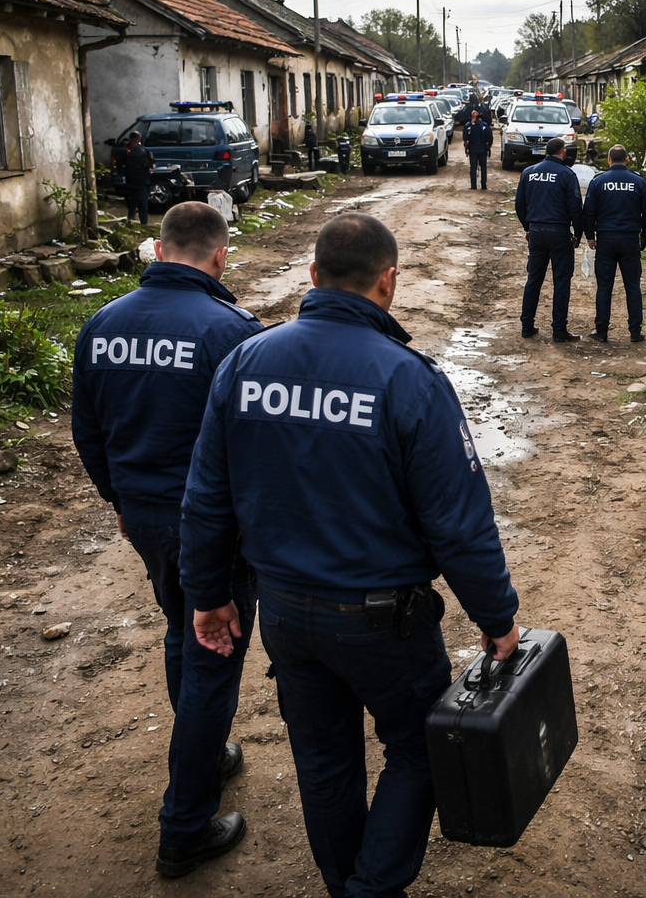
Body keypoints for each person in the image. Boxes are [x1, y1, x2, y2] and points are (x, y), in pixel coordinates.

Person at [181, 213, 520, 898]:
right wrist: (497, 615)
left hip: (286, 614)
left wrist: (208, 595)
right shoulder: (409, 379)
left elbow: (207, 497)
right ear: (388, 282)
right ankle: (369, 891)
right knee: (418, 747)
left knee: (324, 760)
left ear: (313, 275)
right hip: (382, 623)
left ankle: (347, 883)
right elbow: (458, 523)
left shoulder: (246, 363)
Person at [71, 201, 262, 878]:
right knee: (213, 653)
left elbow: (87, 429)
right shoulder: (232, 331)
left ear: (157, 249)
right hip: (211, 527)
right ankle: (184, 827)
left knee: (184, 632)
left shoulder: (101, 324)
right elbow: (254, 445)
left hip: (145, 518)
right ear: (220, 256)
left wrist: (118, 499)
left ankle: (202, 753)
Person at [583, 144, 646, 343]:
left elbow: (588, 211)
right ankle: (635, 332)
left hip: (606, 240)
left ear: (609, 160)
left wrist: (590, 235)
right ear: (627, 160)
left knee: (604, 287)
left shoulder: (598, 182)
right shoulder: (638, 181)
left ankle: (601, 331)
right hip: (630, 240)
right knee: (632, 286)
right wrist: (644, 235)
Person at [514, 137, 584, 341]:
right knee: (561, 281)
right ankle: (559, 330)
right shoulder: (567, 174)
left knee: (533, 279)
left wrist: (528, 227)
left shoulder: (529, 172)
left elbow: (520, 204)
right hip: (559, 233)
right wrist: (578, 233)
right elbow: (575, 207)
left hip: (536, 232)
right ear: (563, 152)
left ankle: (527, 325)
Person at [122, 130, 155, 227]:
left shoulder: (127, 152)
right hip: (142, 183)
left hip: (130, 183)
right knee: (143, 207)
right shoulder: (146, 152)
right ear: (138, 139)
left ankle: (130, 225)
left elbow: (122, 166)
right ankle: (144, 225)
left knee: (131, 207)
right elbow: (150, 166)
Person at [464, 108, 493, 191]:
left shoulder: (469, 126)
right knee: (482, 168)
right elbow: (490, 138)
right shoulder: (484, 126)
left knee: (474, 168)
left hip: (475, 150)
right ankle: (482, 185)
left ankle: (475, 186)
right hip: (480, 150)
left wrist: (467, 147)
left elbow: (466, 138)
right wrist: (488, 147)